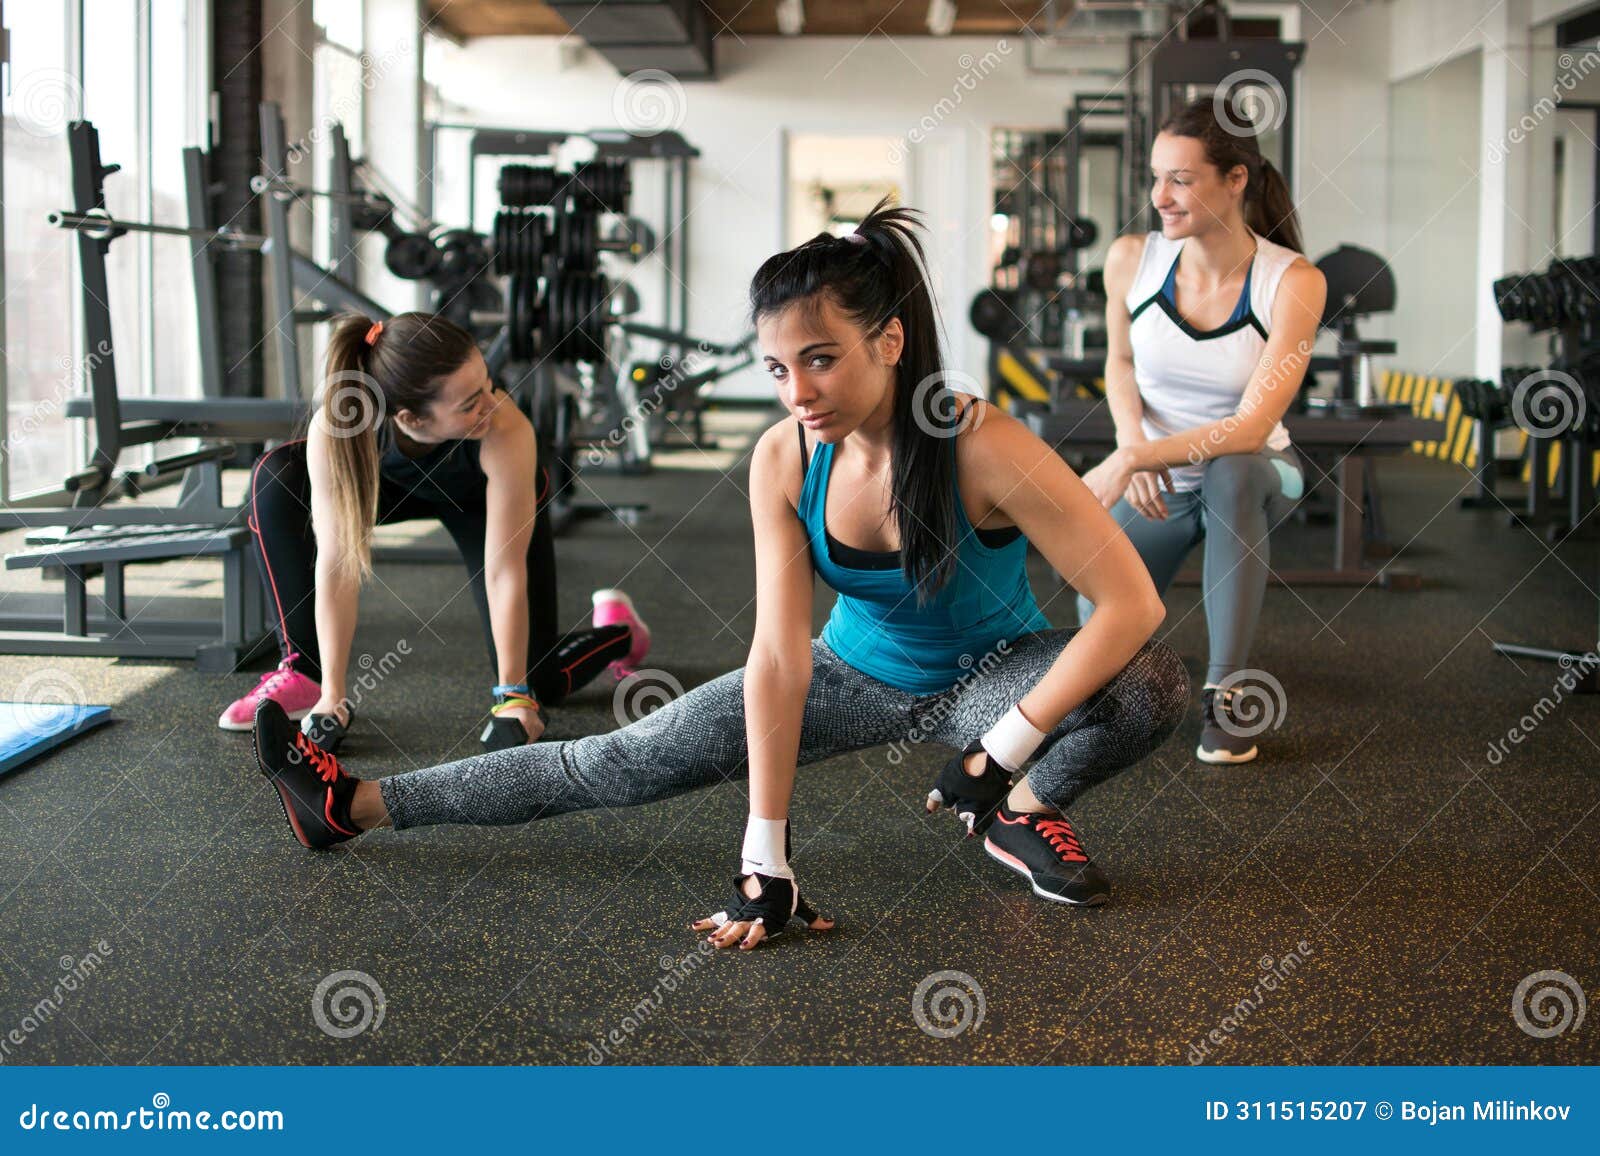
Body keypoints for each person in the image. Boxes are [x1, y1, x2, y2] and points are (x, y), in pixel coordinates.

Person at [253, 204, 1188, 947]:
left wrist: (1006, 752)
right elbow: (779, 659)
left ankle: (1020, 811)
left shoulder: (982, 445)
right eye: (780, 369)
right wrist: (765, 854)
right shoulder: (785, 458)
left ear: (891, 342)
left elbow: (1130, 604)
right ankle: (353, 805)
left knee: (1149, 686)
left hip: (995, 680)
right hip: (851, 674)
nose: (798, 394)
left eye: (821, 361)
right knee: (618, 761)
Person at [220, 312, 651, 753]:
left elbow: (503, 572)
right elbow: (337, 562)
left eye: (487, 384)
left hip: (480, 499)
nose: (491, 402)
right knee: (275, 479)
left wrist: (513, 695)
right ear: (412, 418)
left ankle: (621, 631)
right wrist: (334, 695)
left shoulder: (505, 428)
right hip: (386, 489)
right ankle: (306, 675)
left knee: (540, 679)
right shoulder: (341, 429)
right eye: (469, 403)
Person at [1075, 97, 1326, 766]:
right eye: (1156, 177)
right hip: (1159, 476)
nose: (1160, 196)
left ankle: (1228, 692)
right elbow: (1120, 361)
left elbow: (1251, 427)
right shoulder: (1132, 259)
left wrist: (1133, 456)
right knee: (1099, 631)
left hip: (1260, 470)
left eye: (1181, 179)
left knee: (1232, 474)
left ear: (1235, 179)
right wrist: (1140, 453)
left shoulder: (1292, 281)